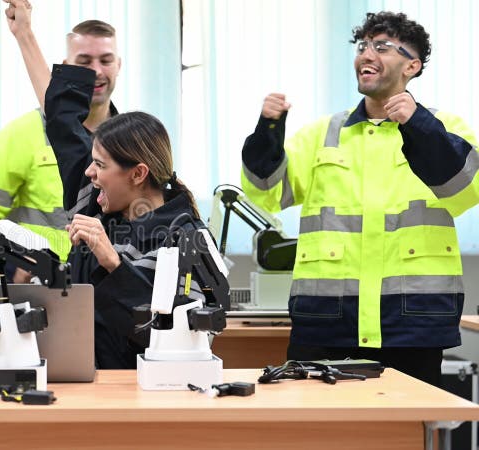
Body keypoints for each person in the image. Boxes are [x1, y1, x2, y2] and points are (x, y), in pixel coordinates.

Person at [241, 11, 478, 385]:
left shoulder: (446, 128)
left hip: (413, 323)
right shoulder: (322, 133)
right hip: (327, 323)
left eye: (381, 46)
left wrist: (419, 126)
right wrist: (267, 132)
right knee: (322, 438)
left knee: (405, 439)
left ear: (411, 66)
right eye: (363, 46)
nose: (367, 54)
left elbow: (465, 190)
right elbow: (267, 192)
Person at [44, 63, 208, 369]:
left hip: (145, 399)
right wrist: (24, 33)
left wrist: (114, 264)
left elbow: (188, 336)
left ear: (138, 174)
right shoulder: (98, 208)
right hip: (86, 389)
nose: (89, 173)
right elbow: (63, 128)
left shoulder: (188, 237)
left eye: (101, 165)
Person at [0, 1, 120, 281]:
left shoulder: (130, 140)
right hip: (38, 291)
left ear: (119, 65)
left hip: (109, 288)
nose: (96, 71)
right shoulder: (20, 135)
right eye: (84, 63)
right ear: (67, 69)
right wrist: (17, 262)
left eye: (105, 60)